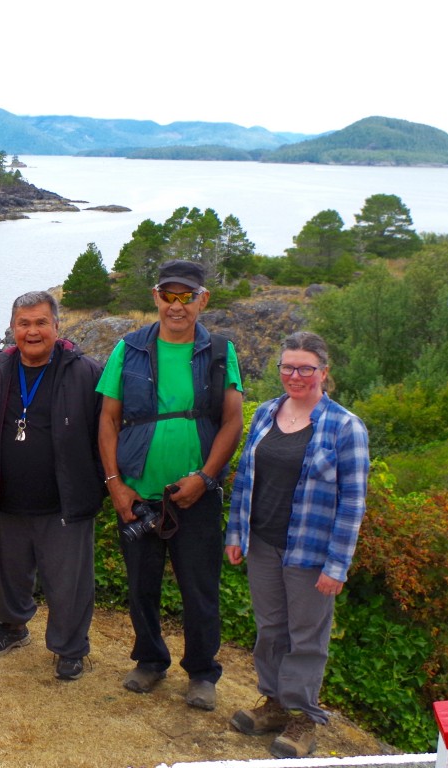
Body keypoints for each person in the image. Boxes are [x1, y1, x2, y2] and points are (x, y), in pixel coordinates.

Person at [97, 258, 244, 712]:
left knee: (199, 587)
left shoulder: (221, 351)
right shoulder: (129, 348)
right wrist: (115, 486)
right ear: (155, 297)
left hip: (196, 496)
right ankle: (149, 661)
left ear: (203, 300)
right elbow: (108, 418)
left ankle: (202, 673)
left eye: (187, 296)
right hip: (138, 495)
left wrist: (205, 478)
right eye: (168, 295)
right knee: (141, 584)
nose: (176, 306)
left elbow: (232, 421)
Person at [225, 331, 369, 759]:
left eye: (305, 368)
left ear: (324, 372)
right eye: (287, 367)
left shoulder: (345, 427)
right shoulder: (267, 412)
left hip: (311, 551)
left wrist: (337, 565)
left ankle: (304, 716)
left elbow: (353, 504)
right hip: (264, 543)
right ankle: (273, 703)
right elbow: (245, 479)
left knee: (306, 636)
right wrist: (237, 533)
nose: (295, 375)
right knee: (270, 629)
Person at [0, 291, 105, 681]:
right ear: (13, 328)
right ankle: (12, 627)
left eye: (41, 322)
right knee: (9, 573)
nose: (33, 331)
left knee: (69, 583)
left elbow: (105, 436)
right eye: (24, 323)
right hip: (8, 497)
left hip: (65, 501)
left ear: (57, 326)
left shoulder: (85, 372)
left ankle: (70, 648)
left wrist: (102, 487)